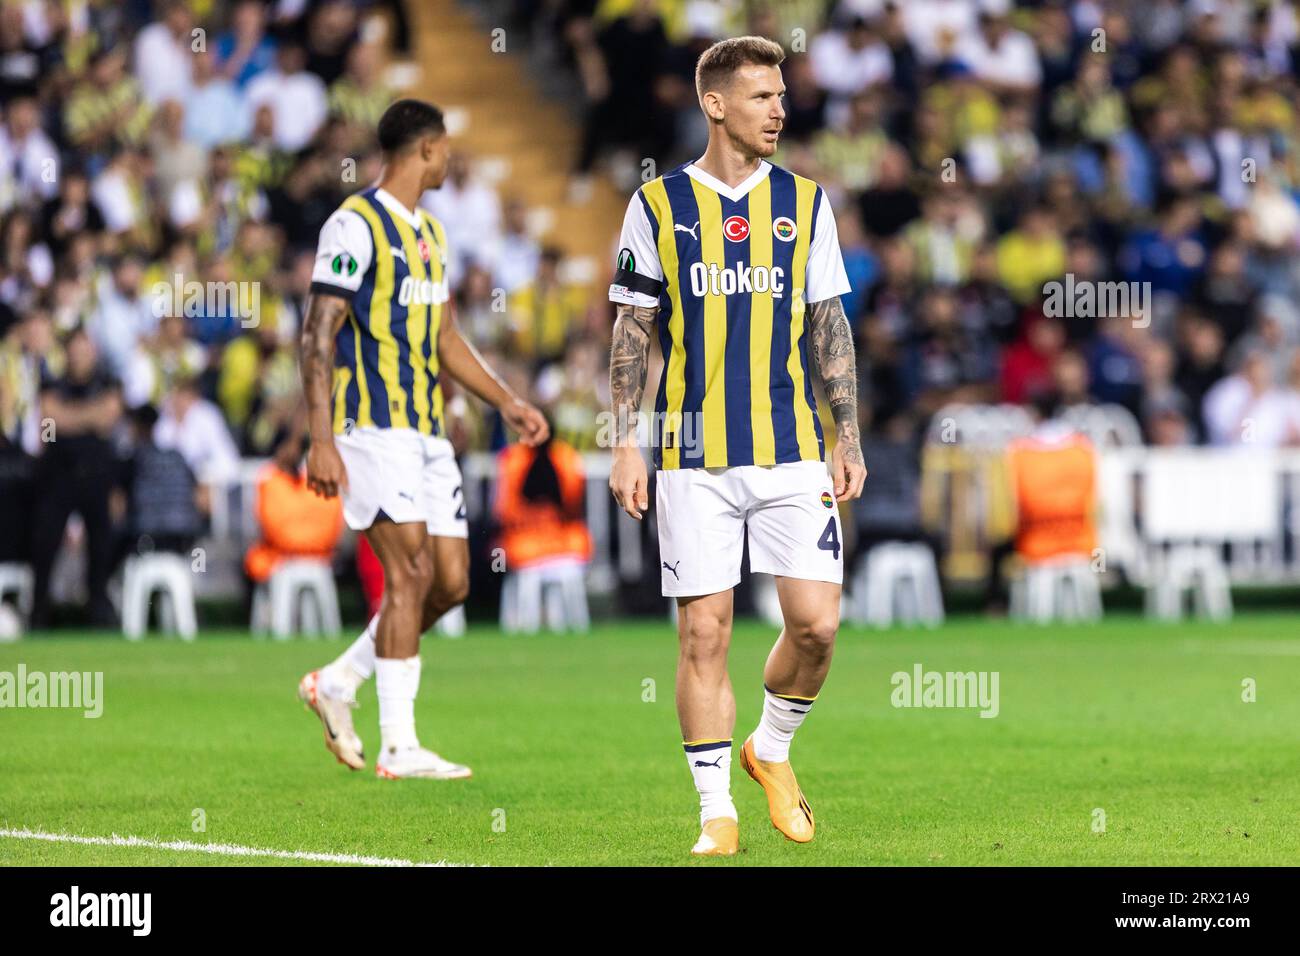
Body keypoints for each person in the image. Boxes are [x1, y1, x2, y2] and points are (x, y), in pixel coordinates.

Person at [606, 37, 865, 857]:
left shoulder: (807, 202)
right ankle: (716, 810)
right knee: (704, 633)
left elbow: (828, 322)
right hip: (692, 455)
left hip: (791, 449)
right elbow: (631, 329)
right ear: (714, 105)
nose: (779, 110)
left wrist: (846, 431)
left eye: (781, 95)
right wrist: (623, 442)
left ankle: (771, 749)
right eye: (761, 97)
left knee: (817, 625)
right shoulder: (656, 205)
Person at [297, 99, 548, 780]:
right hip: (369, 425)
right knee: (407, 573)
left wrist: (507, 400)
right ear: (426, 150)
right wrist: (320, 438)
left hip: (426, 429)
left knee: (452, 583)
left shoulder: (432, 233)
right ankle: (399, 745)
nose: (450, 159)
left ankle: (338, 682)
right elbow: (317, 333)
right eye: (445, 148)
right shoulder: (352, 227)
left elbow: (444, 339)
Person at [30, 328, 124, 628]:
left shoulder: (107, 382)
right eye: (75, 349)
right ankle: (39, 613)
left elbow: (108, 417)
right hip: (59, 478)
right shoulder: (52, 383)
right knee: (45, 545)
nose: (80, 356)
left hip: (96, 478)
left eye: (86, 350)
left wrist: (67, 416)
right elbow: (48, 420)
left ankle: (97, 611)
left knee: (100, 547)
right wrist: (88, 417)